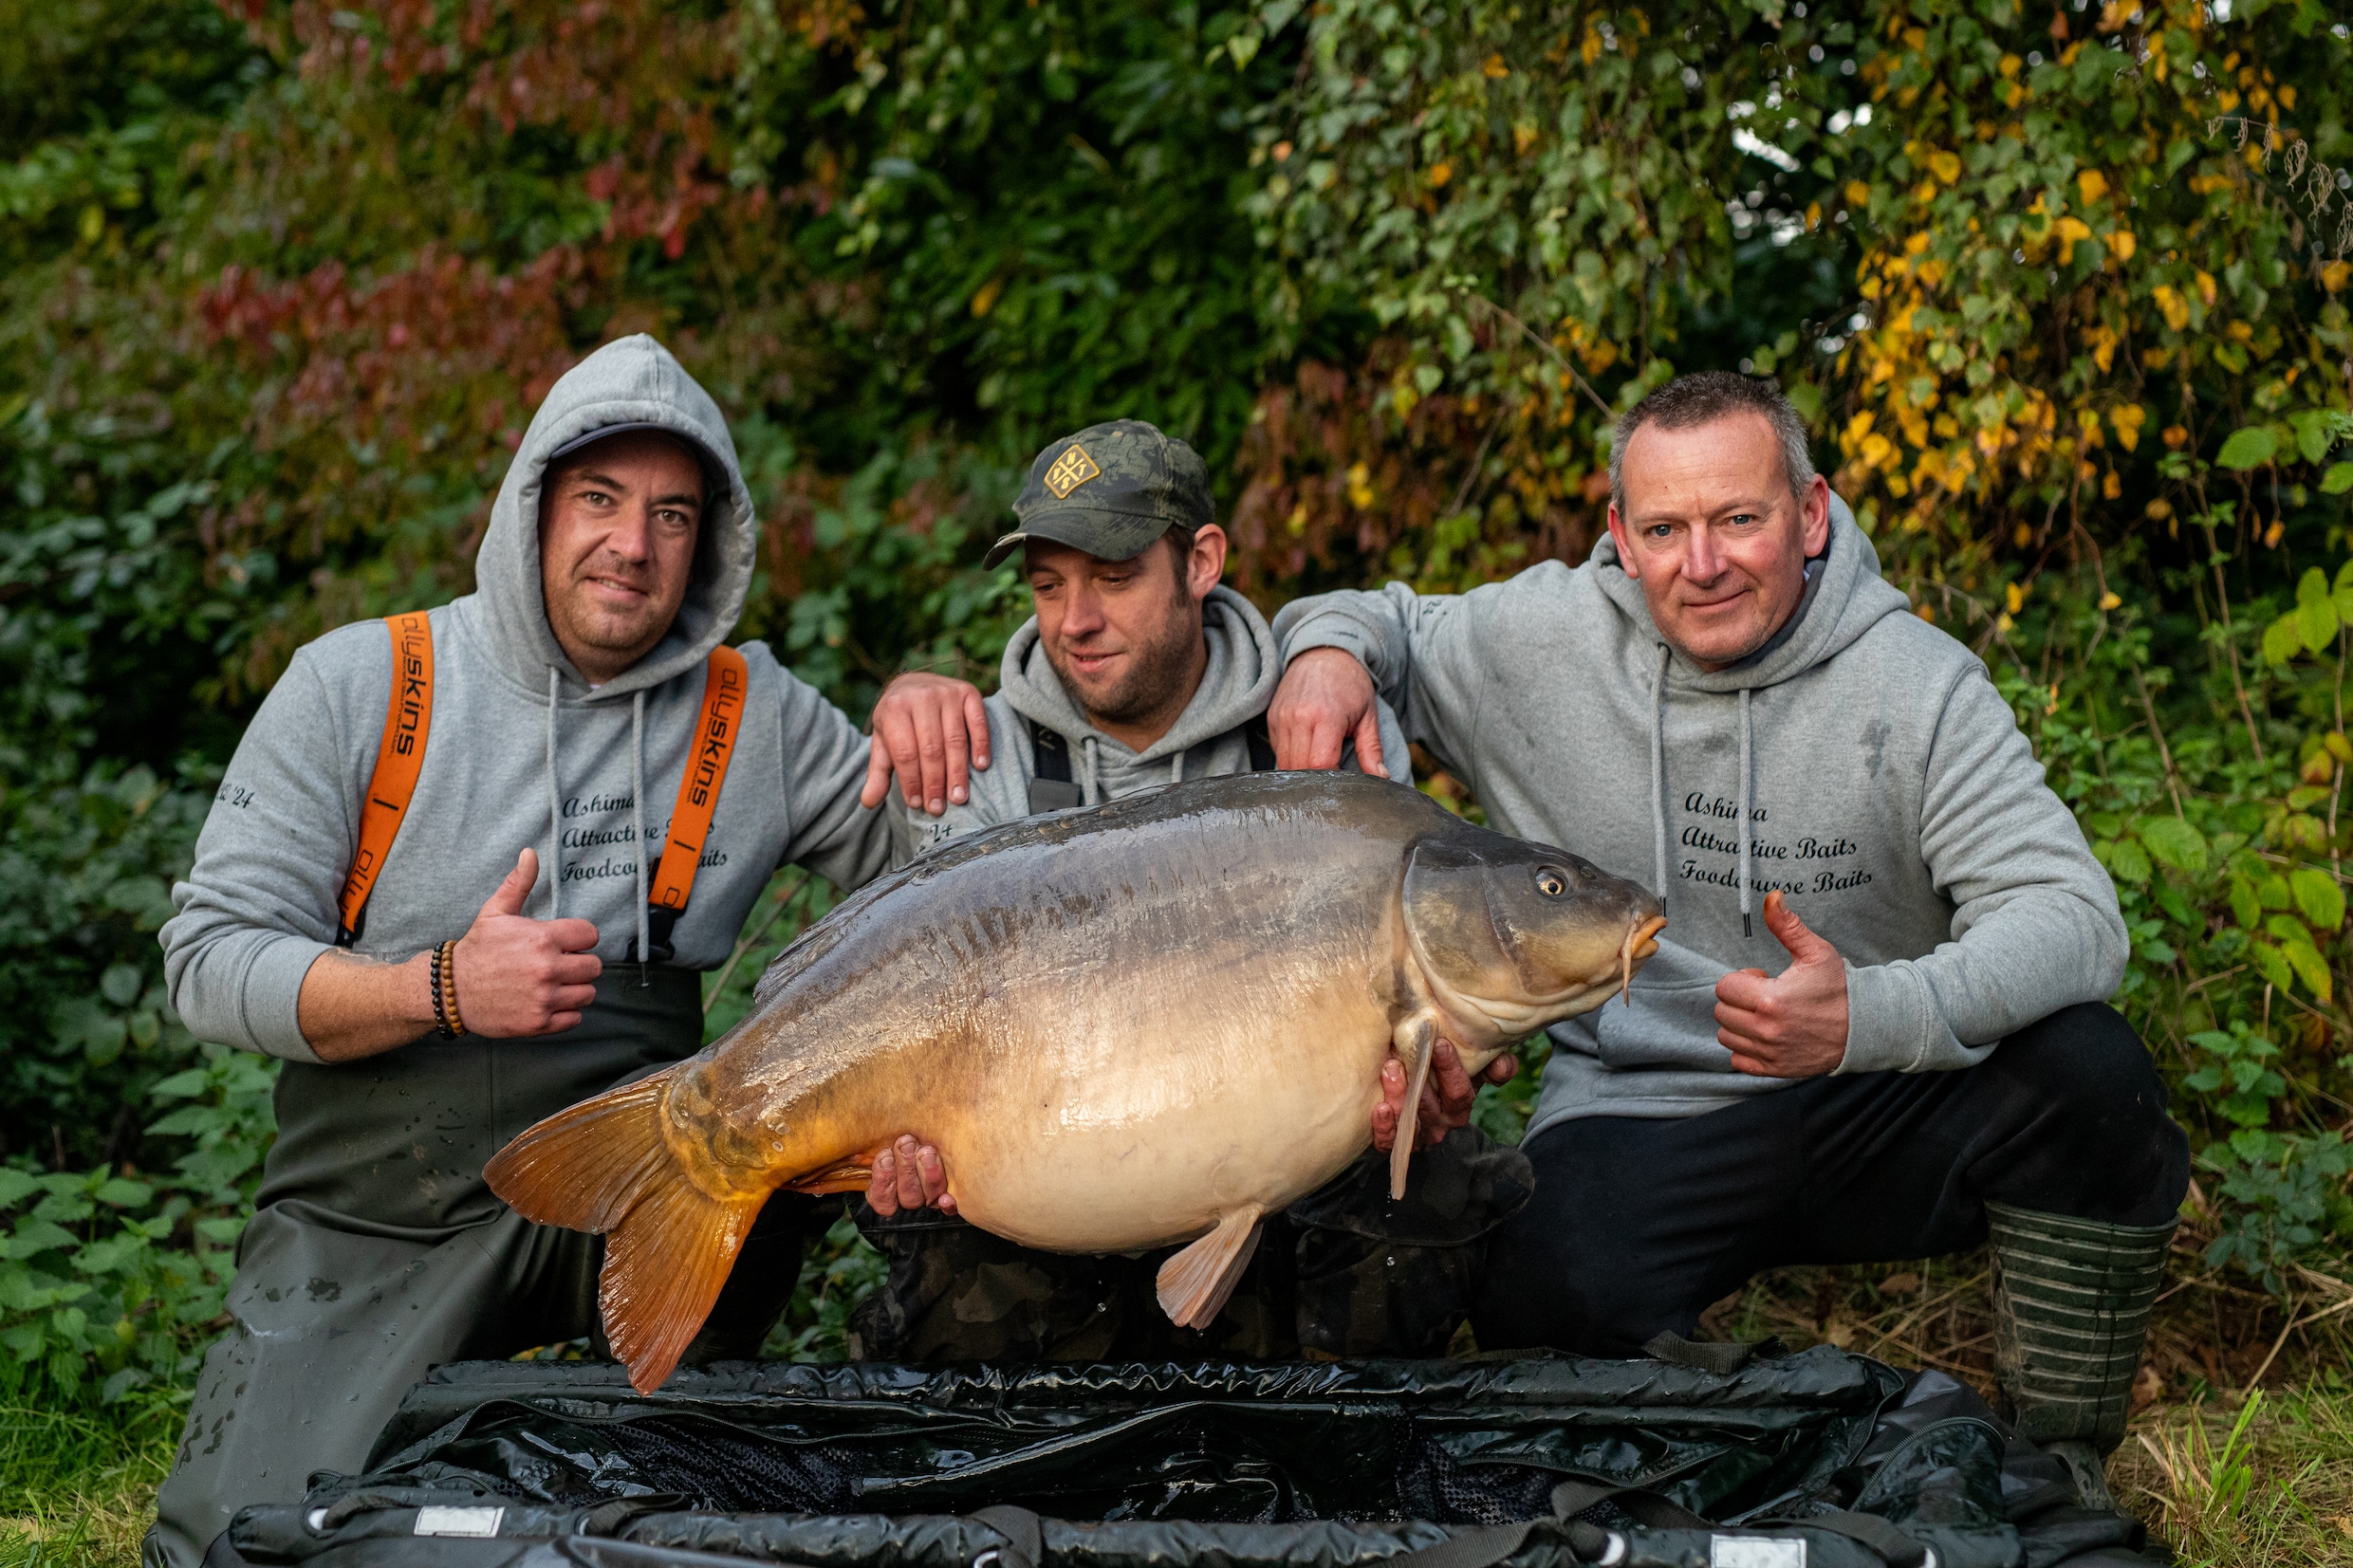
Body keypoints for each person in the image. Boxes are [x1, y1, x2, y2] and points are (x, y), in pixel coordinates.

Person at [1265, 371, 2189, 1509]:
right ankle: (1733, 1420)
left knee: (2092, 1074)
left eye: (1737, 520)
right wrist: (1326, 653)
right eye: (1663, 529)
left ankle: (2059, 1449)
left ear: (1807, 516)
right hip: (1645, 1108)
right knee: (1533, 1289)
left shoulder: (1919, 686)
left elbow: (2073, 918)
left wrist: (1871, 1014)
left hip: (1879, 1090)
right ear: (1619, 534)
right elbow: (1381, 621)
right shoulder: (1540, 641)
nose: (1700, 565)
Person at [145, 336, 978, 1567]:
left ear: (711, 543)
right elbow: (208, 962)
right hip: (388, 1205)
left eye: (671, 514)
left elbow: (974, 886)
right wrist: (439, 987)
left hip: (652, 1180)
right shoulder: (360, 687)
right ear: (532, 507)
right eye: (599, 499)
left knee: (672, 1502)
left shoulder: (762, 718)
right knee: (252, 1540)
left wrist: (930, 706)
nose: (632, 545)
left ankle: (659, 1440)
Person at [848, 418, 1531, 1363]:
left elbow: (1418, 988)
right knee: (933, 1226)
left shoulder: (1313, 733)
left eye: (1113, 578)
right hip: (1052, 1190)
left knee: (1424, 1173)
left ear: (1200, 561)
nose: (1073, 621)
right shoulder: (979, 759)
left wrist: (1422, 1084)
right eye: (1048, 586)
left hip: (1279, 1176)